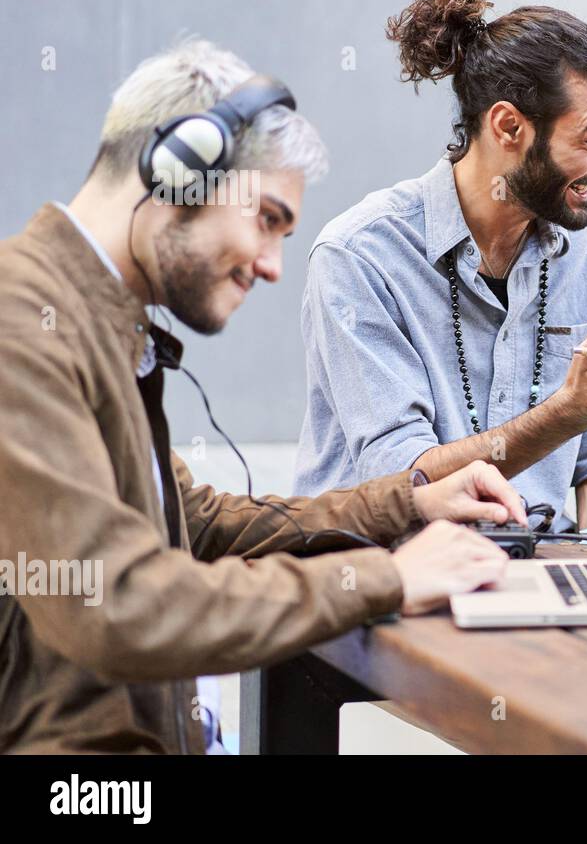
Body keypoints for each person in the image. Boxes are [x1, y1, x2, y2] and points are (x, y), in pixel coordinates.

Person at [0, 39, 524, 754]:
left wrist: (410, 500)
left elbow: (196, 520)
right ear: (178, 172)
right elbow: (114, 603)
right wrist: (384, 579)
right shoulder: (23, 323)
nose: (275, 266)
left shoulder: (92, 318)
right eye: (267, 219)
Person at [293, 0, 587, 529]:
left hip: (537, 564)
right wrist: (572, 410)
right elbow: (403, 478)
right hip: (387, 574)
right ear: (508, 126)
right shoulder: (361, 257)